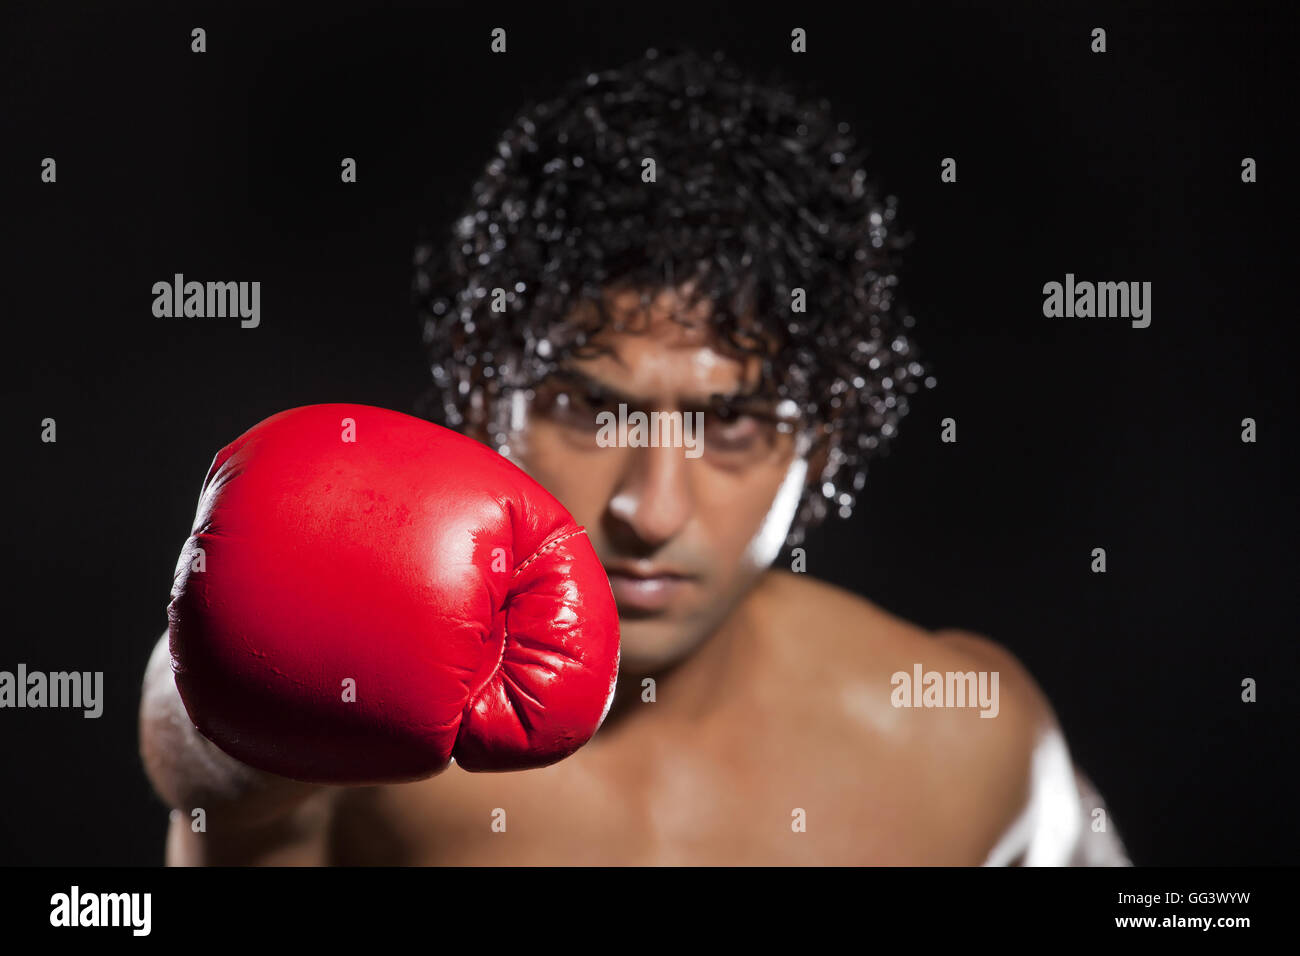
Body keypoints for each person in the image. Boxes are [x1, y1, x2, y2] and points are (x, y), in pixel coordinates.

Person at [140, 47, 1130, 865]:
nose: (651, 510)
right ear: (489, 398)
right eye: (588, 406)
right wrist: (242, 694)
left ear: (820, 437)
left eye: (730, 423)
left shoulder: (958, 742)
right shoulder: (364, 747)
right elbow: (214, 788)